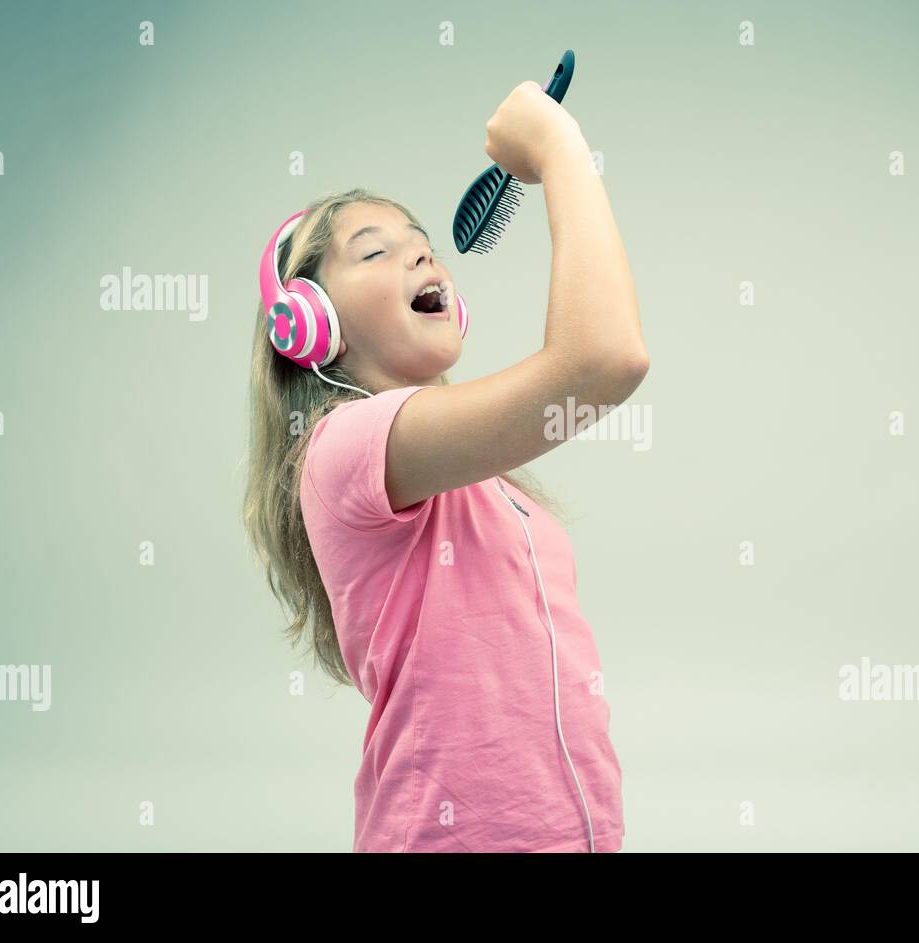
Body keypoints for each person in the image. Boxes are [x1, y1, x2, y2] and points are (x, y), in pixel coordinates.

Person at [242, 80, 648, 852]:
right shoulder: (343, 449)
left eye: (418, 238)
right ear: (309, 324)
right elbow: (604, 358)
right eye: (374, 250)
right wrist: (560, 150)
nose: (419, 249)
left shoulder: (484, 484)